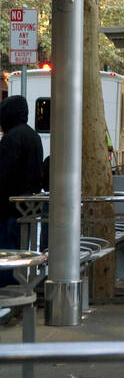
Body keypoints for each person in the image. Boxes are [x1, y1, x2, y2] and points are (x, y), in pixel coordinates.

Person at [0, 95, 44, 284]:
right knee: (19, 253)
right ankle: (18, 290)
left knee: (6, 255)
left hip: (9, 208)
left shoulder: (12, 138)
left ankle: (8, 297)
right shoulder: (32, 135)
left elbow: (3, 174)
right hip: (26, 206)